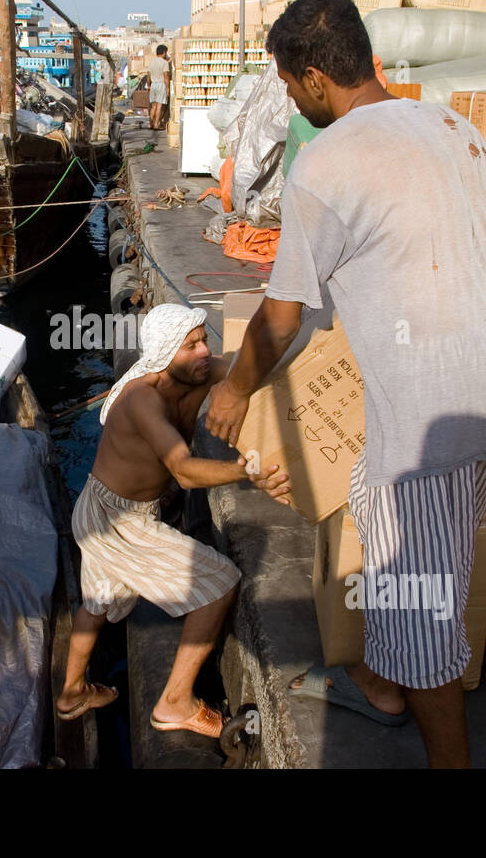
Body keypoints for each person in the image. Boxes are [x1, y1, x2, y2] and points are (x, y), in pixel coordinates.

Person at [206, 0, 486, 768]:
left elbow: (280, 318)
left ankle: (447, 755)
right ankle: (379, 684)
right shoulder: (453, 127)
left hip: (424, 419)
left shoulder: (329, 163)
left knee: (422, 611)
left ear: (315, 78)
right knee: (401, 538)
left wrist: (235, 387)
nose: (288, 100)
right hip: (485, 392)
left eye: (285, 85)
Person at [56, 304, 289, 738]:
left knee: (98, 602)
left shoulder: (199, 373)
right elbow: (183, 470)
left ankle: (71, 694)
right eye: (192, 345)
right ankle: (174, 703)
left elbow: (248, 369)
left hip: (119, 509)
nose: (205, 351)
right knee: (218, 585)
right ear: (165, 354)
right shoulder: (144, 398)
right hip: (114, 518)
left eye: (204, 340)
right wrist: (248, 470)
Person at [147, 45, 171, 130]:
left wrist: (148, 84)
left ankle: (150, 123)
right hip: (161, 84)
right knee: (159, 105)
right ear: (164, 52)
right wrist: (168, 88)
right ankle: (156, 124)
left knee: (153, 106)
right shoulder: (164, 63)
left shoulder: (152, 62)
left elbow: (148, 75)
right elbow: (166, 76)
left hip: (153, 84)